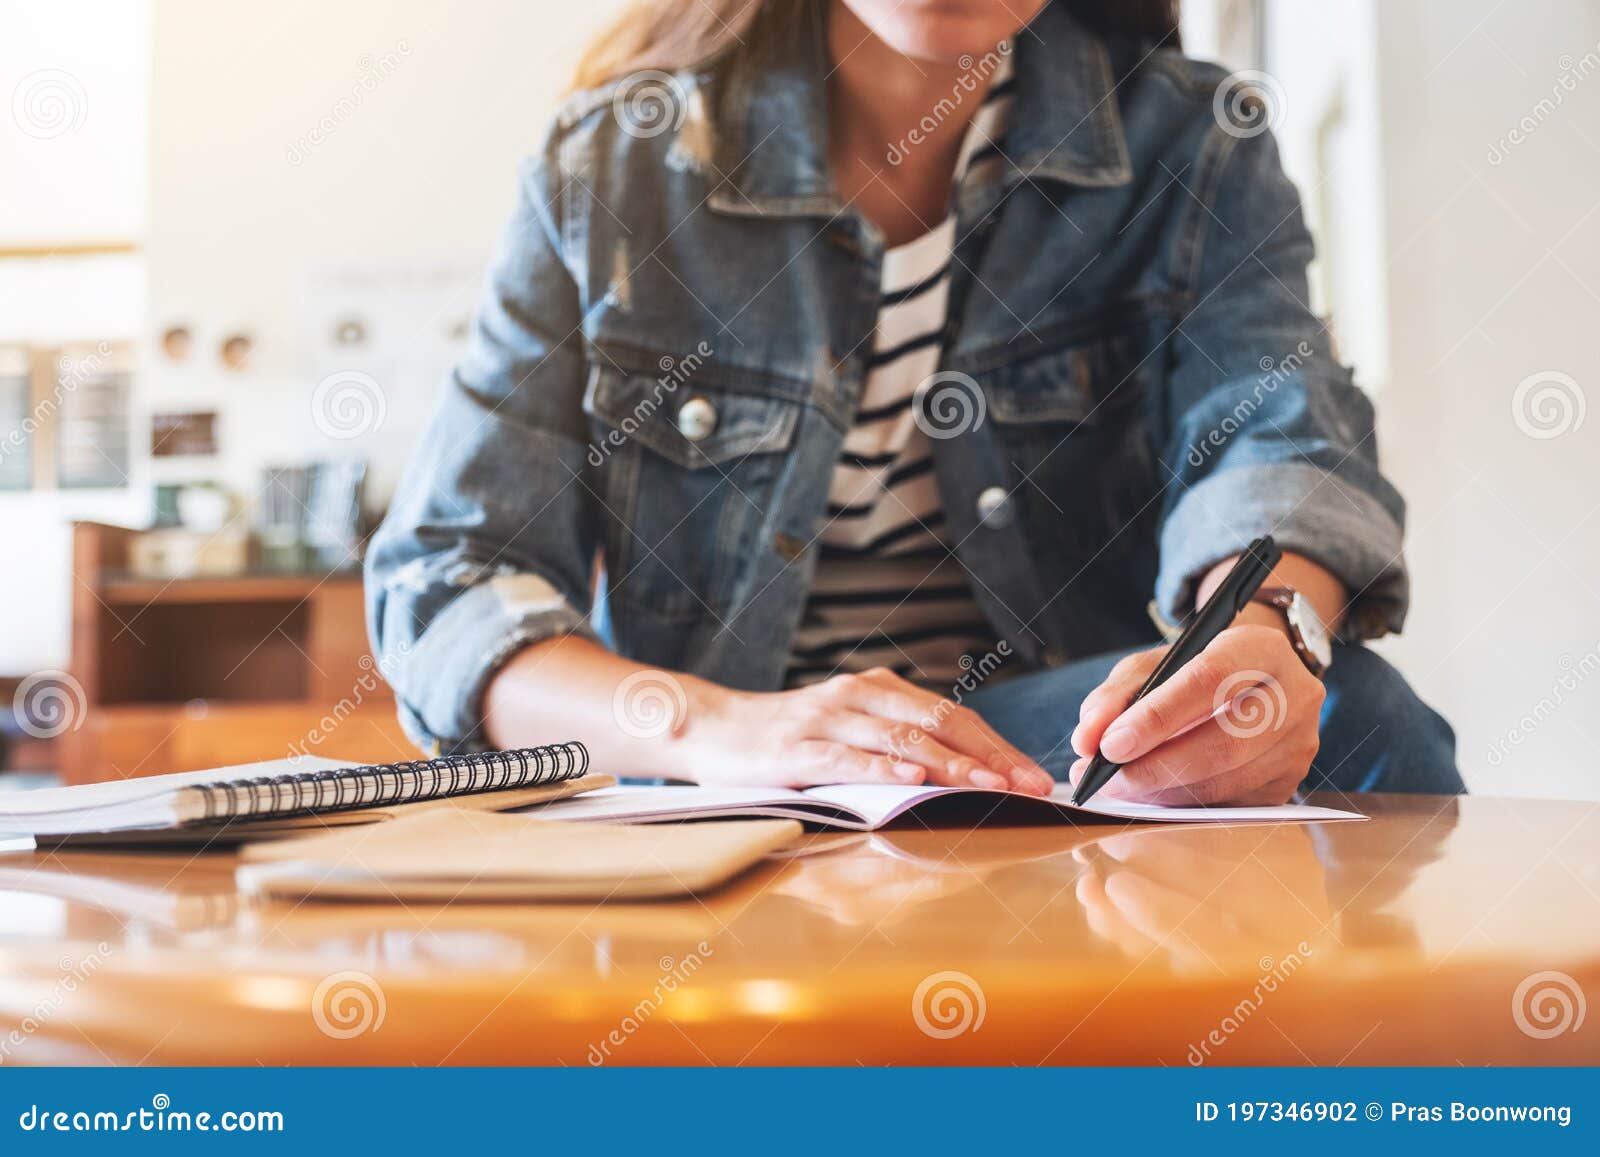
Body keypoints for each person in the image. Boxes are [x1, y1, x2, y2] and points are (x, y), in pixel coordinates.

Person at [365, 0, 1463, 805]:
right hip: (717, 770)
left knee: (1360, 715)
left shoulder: (1195, 144)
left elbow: (1282, 438)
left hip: (1047, 749)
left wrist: (1269, 630)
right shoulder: (610, 165)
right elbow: (450, 582)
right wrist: (723, 730)